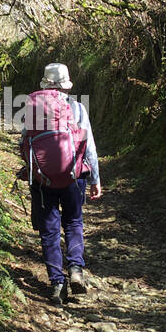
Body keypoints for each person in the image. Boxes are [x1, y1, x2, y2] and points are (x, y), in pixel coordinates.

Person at [18, 63, 102, 304]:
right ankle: (76, 270)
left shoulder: (32, 109)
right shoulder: (76, 108)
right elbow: (90, 148)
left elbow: (25, 143)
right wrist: (95, 179)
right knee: (74, 221)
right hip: (73, 177)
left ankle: (57, 283)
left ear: (45, 84)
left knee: (49, 230)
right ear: (66, 85)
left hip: (43, 180)